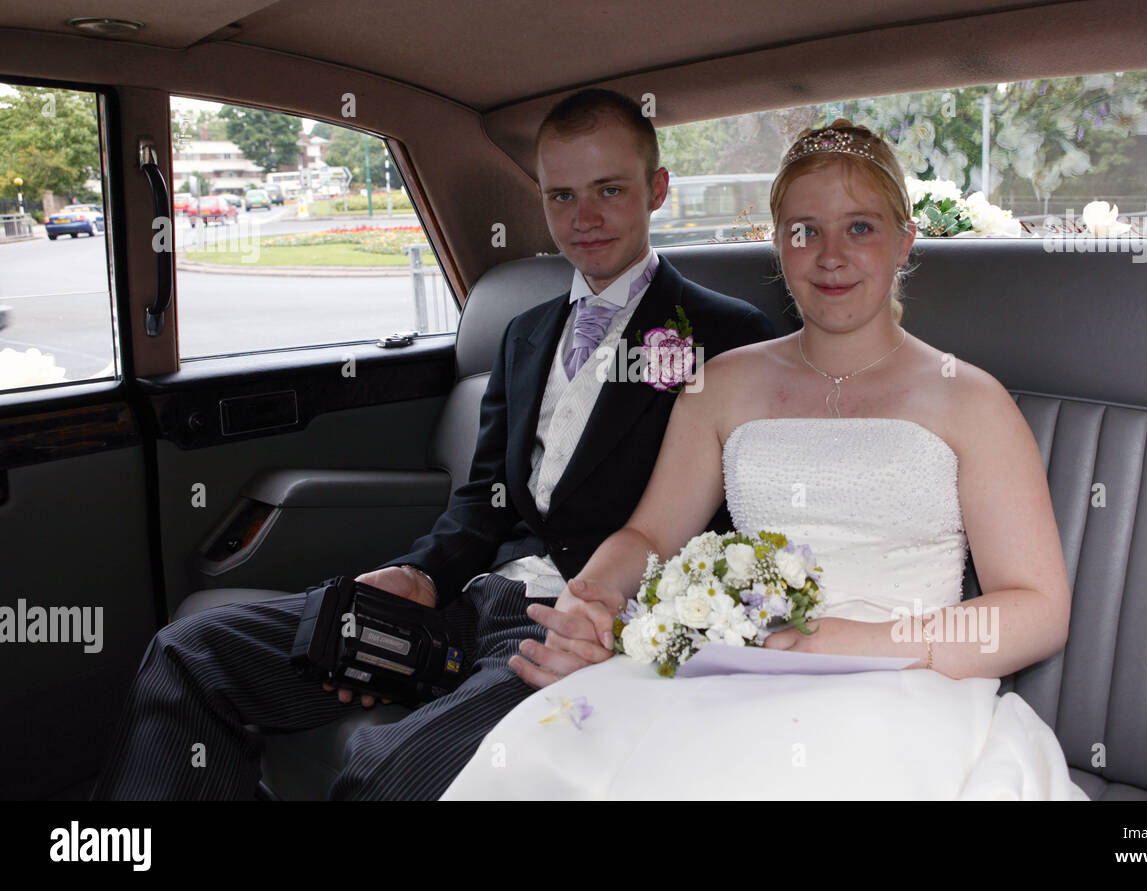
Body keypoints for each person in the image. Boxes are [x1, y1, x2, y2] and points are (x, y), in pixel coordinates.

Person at [90, 88, 774, 800]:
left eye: (610, 190)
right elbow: (483, 499)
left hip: (581, 630)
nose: (585, 218)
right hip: (467, 604)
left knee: (389, 773)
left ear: (657, 189)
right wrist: (419, 575)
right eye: (562, 195)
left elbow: (730, 531)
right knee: (188, 653)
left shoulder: (728, 335)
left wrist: (626, 631)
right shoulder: (524, 332)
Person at [441, 120, 1090, 800]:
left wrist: (866, 642)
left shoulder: (972, 399)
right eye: (805, 231)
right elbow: (651, 535)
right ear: (779, 246)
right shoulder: (719, 383)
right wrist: (596, 592)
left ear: (905, 241)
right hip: (733, 669)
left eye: (860, 228)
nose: (830, 255)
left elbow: (1038, 607)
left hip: (904, 684)